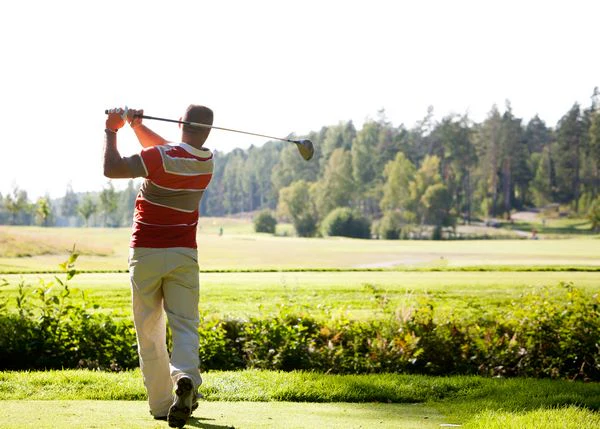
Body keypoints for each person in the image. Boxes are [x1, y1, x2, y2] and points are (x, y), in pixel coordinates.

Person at [104, 105, 214, 428]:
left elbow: (112, 168)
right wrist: (137, 127)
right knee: (185, 325)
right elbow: (171, 151)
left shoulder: (159, 158)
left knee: (150, 330)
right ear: (207, 131)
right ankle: (186, 379)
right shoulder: (206, 162)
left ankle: (161, 403)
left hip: (146, 253)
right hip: (183, 255)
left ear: (181, 122)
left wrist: (113, 129)